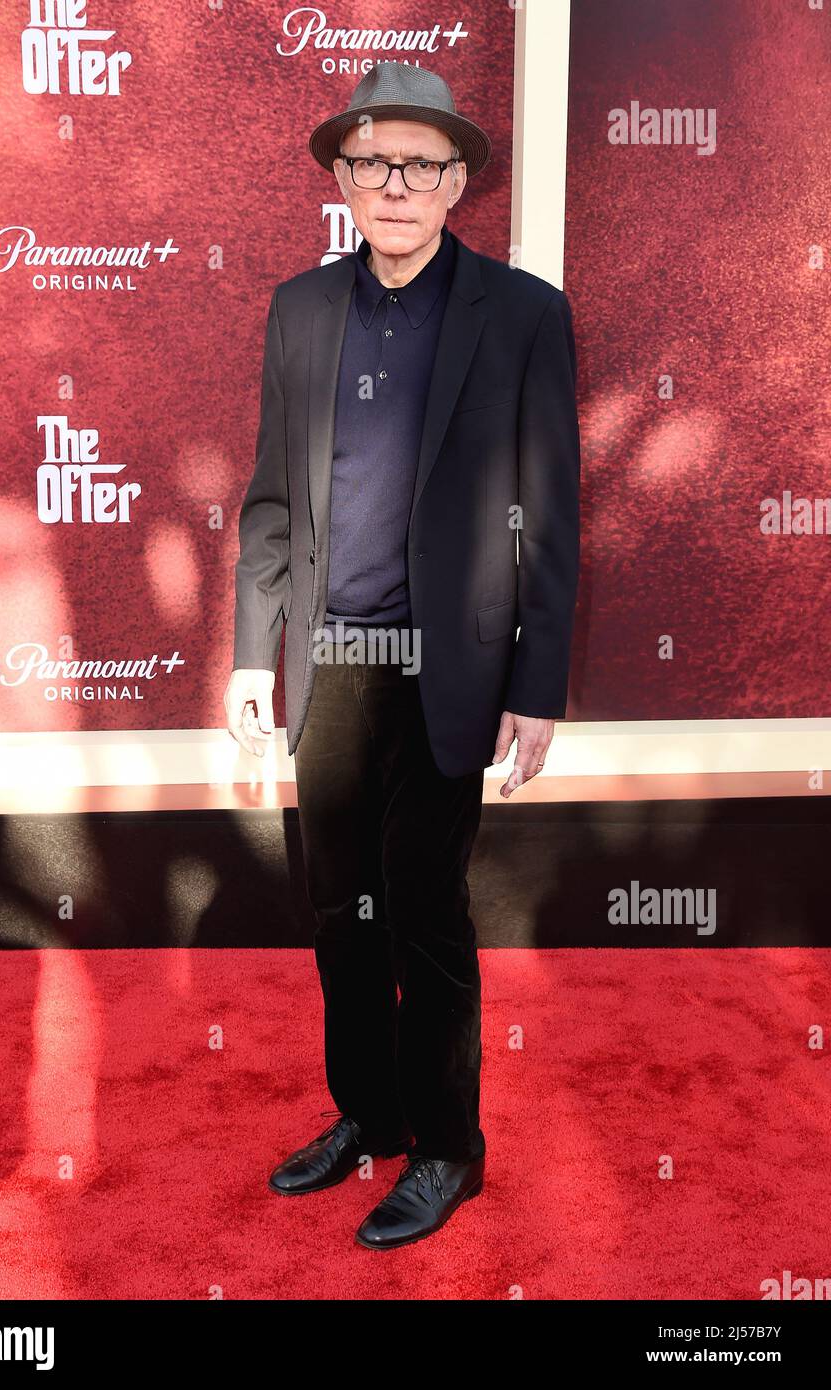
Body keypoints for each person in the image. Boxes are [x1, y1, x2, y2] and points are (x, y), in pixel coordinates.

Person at [226, 62, 580, 1250]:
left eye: (421, 165)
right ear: (342, 176)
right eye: (374, 161)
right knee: (338, 908)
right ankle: (367, 1118)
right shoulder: (300, 310)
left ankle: (446, 1149)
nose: (396, 184)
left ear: (458, 183)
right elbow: (273, 497)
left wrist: (537, 684)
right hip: (329, 664)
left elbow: (552, 507)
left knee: (425, 910)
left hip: (452, 669)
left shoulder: (525, 314)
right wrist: (248, 655)